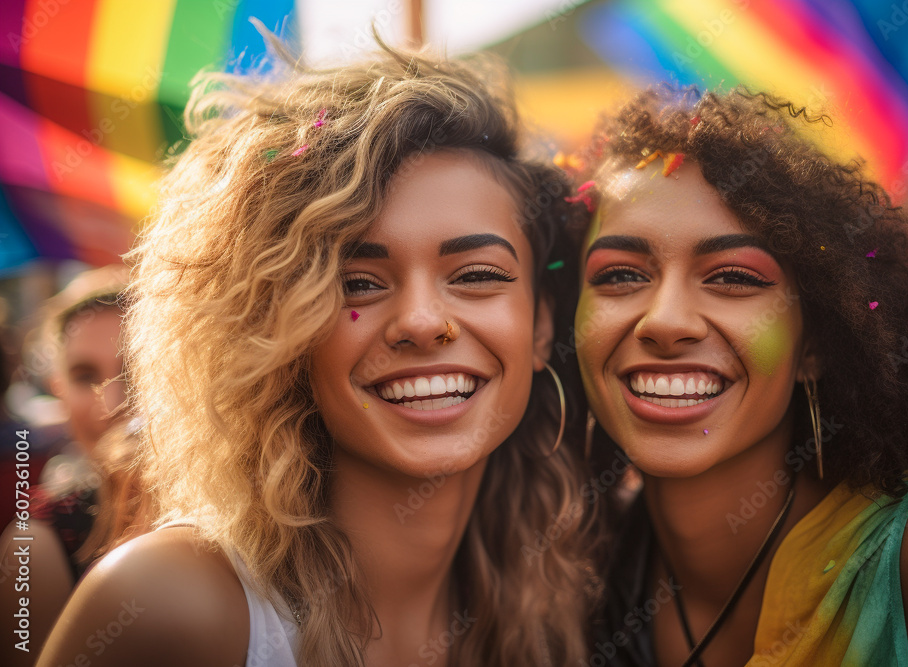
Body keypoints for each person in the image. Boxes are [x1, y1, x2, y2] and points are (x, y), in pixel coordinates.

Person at [38, 35, 596, 667]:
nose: (422, 322)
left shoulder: (559, 601)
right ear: (280, 330)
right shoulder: (170, 603)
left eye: (476, 275)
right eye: (357, 283)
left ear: (541, 325)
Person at [568, 86, 908, 666]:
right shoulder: (561, 574)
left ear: (815, 342)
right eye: (620, 275)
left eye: (734, 277)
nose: (665, 322)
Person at [0, 265, 133, 667]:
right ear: (58, 390)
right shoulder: (36, 549)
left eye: (134, 371)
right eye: (84, 376)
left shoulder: (254, 512)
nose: (111, 405)